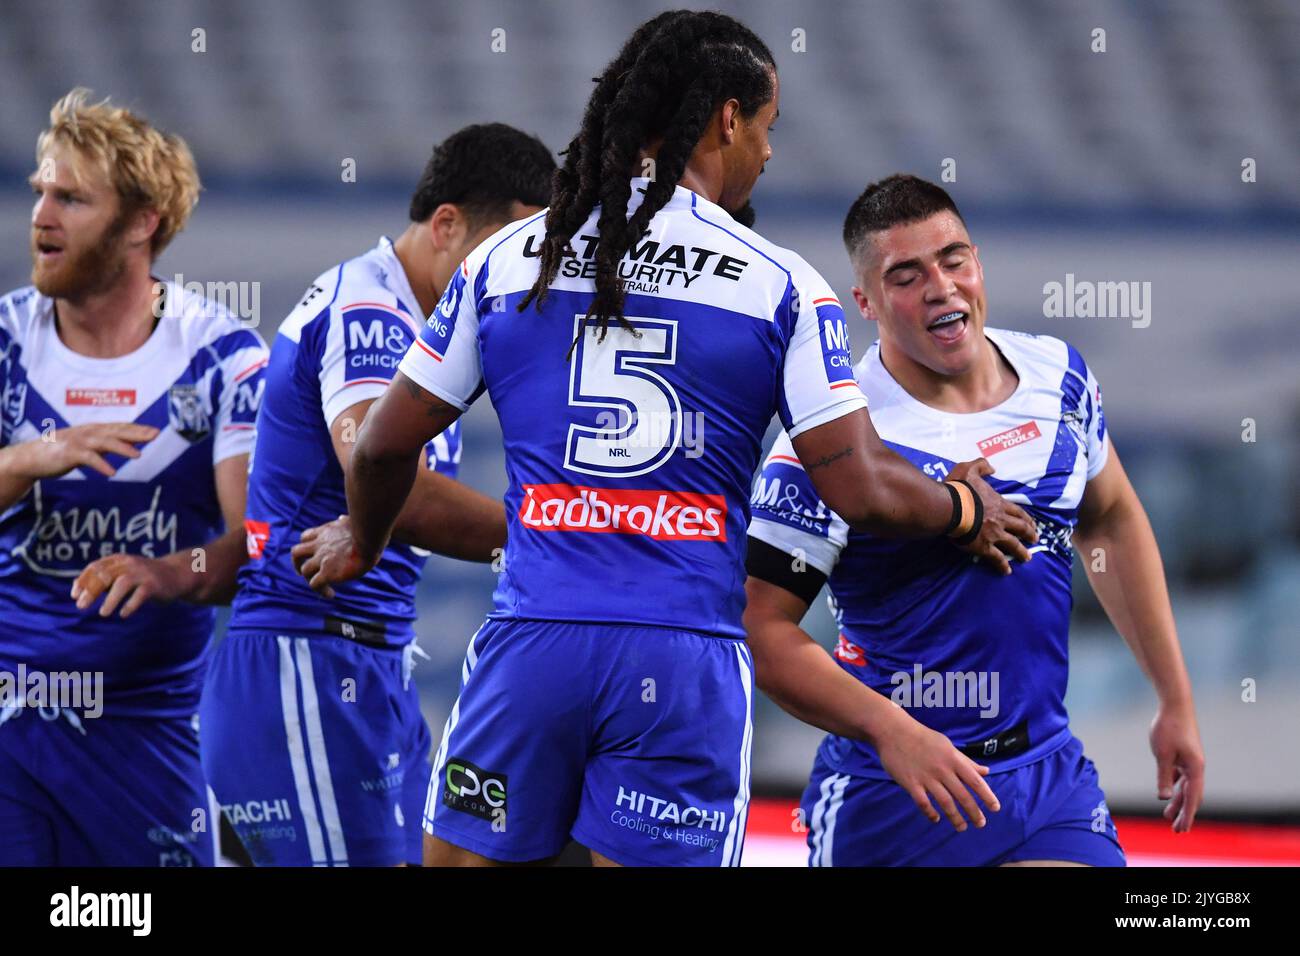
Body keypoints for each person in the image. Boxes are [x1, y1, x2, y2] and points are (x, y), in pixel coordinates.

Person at [297, 11, 1034, 867]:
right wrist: (960, 509)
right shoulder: (778, 283)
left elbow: (382, 449)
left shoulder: (505, 261)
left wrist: (365, 537)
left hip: (534, 644)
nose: (768, 152)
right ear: (727, 120)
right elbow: (859, 486)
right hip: (682, 663)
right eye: (767, 128)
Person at [744, 174, 1205, 866]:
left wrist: (1175, 699)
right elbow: (762, 630)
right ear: (865, 302)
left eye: (954, 258)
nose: (941, 287)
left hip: (1047, 780)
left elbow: (1109, 522)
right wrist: (891, 731)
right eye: (906, 275)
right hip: (895, 795)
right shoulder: (835, 440)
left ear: (978, 262)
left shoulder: (1060, 377)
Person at [201, 124, 554, 866]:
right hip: (308, 661)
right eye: (511, 244)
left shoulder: (428, 331)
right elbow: (382, 472)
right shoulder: (374, 311)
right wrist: (562, 538)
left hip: (366, 664)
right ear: (447, 223)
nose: (522, 272)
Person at [0, 89, 268, 865]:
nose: (41, 216)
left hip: (148, 731)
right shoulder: (7, 342)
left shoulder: (221, 357)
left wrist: (167, 570)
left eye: (71, 198)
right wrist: (26, 459)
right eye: (40, 192)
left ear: (142, 223)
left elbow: (252, 540)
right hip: (11, 725)